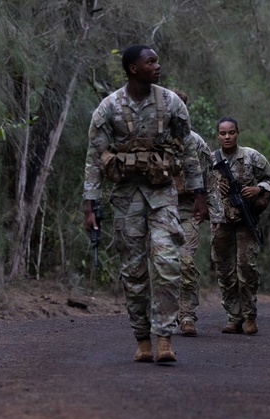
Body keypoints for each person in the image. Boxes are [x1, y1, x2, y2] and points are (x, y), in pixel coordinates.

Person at [83, 45, 208, 364]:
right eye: (150, 61)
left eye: (157, 60)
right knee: (134, 273)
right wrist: (90, 203)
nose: (157, 65)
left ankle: (164, 338)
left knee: (167, 264)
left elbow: (189, 149)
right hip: (126, 200)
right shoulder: (109, 107)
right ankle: (142, 339)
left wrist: (198, 192)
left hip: (163, 196)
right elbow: (95, 157)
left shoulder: (171, 103)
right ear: (132, 69)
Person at [208, 116, 270, 336]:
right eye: (223, 133)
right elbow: (198, 184)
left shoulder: (252, 156)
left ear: (238, 133)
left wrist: (258, 189)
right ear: (218, 135)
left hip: (246, 222)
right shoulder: (210, 160)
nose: (227, 137)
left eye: (231, 132)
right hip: (222, 221)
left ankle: (249, 317)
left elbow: (269, 179)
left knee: (246, 268)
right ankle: (233, 318)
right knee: (225, 271)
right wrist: (215, 184)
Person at [170, 89, 212, 337]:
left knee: (186, 262)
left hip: (187, 211)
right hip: (158, 211)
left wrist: (214, 215)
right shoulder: (154, 139)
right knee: (161, 265)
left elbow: (209, 181)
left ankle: (186, 316)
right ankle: (162, 314)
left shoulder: (195, 142)